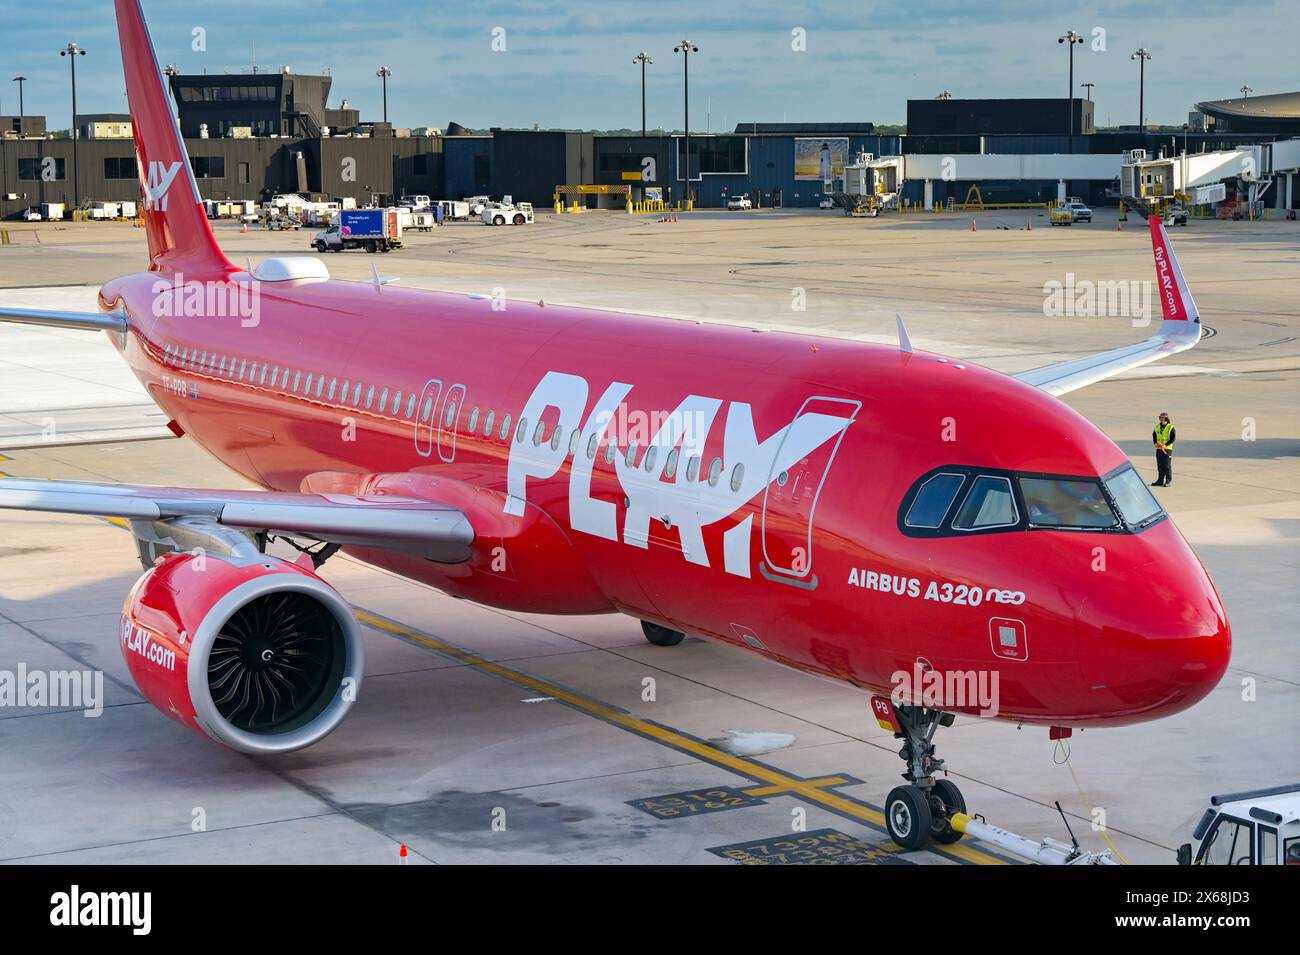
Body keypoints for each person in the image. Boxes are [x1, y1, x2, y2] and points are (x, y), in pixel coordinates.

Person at [1152, 412, 1176, 487]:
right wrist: (1155, 443)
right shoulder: (1157, 426)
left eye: (1162, 418)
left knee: (1167, 465)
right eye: (1160, 417)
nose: (1160, 419)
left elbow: (1173, 438)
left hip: (1167, 449)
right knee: (1160, 465)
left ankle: (1168, 481)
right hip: (1159, 448)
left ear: (1166, 418)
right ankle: (1160, 480)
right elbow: (1154, 435)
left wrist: (1165, 445)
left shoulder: (1170, 427)